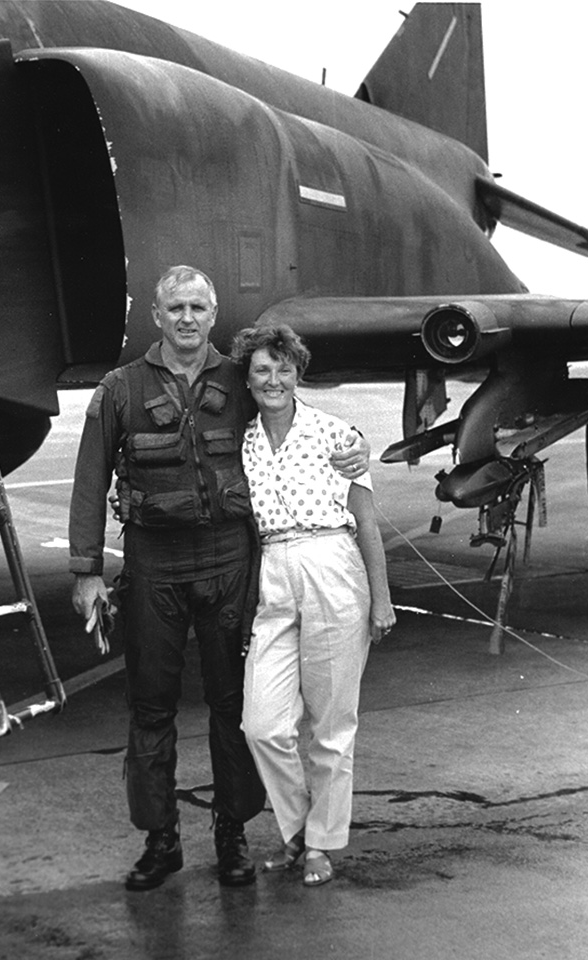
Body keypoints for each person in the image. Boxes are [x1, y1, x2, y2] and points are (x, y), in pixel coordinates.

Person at [69, 266, 370, 891]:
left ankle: (231, 835)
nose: (186, 317)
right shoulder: (120, 389)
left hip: (229, 565)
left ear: (214, 315)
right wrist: (86, 571)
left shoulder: (241, 378)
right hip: (154, 566)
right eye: (174, 306)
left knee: (235, 708)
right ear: (155, 314)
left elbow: (299, 410)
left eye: (198, 307)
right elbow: (90, 479)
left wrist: (357, 446)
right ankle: (161, 840)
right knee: (150, 707)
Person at [231, 323, 395, 887]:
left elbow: (366, 519)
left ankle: (320, 843)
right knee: (262, 724)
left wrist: (382, 598)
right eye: (261, 370)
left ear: (299, 373)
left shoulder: (336, 434)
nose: (273, 379)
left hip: (332, 561)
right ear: (247, 379)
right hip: (273, 570)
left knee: (331, 723)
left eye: (283, 368)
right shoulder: (243, 441)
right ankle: (297, 827)